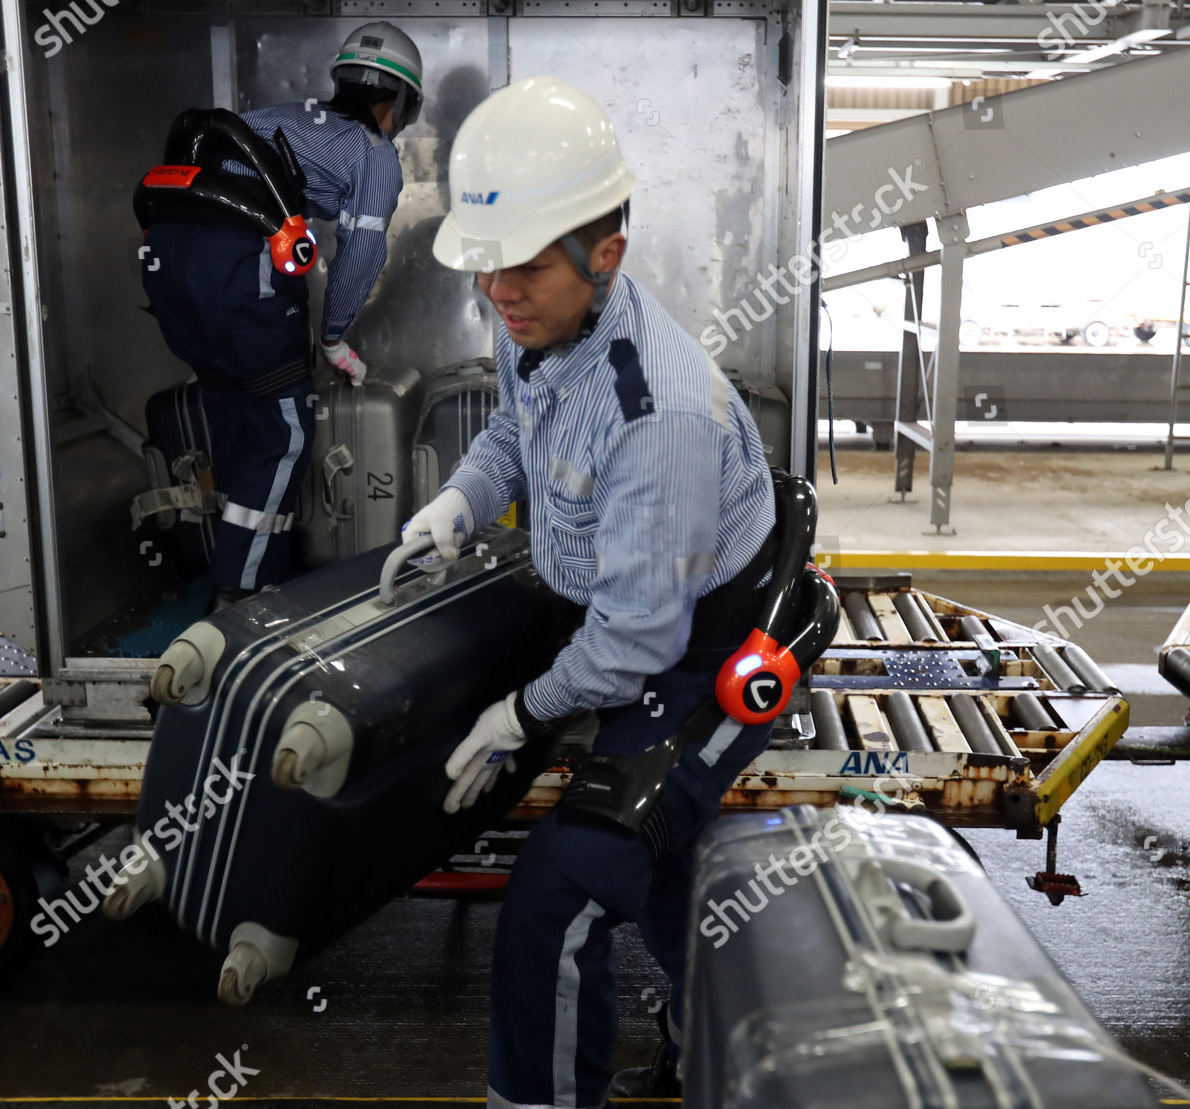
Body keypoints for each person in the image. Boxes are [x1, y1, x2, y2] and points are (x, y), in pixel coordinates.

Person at [404, 77, 781, 1107]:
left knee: (560, 891)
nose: (498, 293)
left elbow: (637, 638)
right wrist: (458, 502)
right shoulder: (537, 319)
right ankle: (716, 1032)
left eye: (521, 268)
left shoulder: (658, 415)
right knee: (665, 870)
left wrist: (520, 713)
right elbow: (509, 434)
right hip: (627, 616)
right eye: (487, 270)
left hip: (701, 653)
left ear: (603, 254)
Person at [142, 22, 423, 609]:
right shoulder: (373, 154)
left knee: (236, 423)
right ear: (395, 101)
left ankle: (255, 572)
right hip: (246, 285)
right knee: (286, 431)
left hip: (173, 283)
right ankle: (236, 595)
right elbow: (363, 251)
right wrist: (334, 338)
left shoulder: (271, 117)